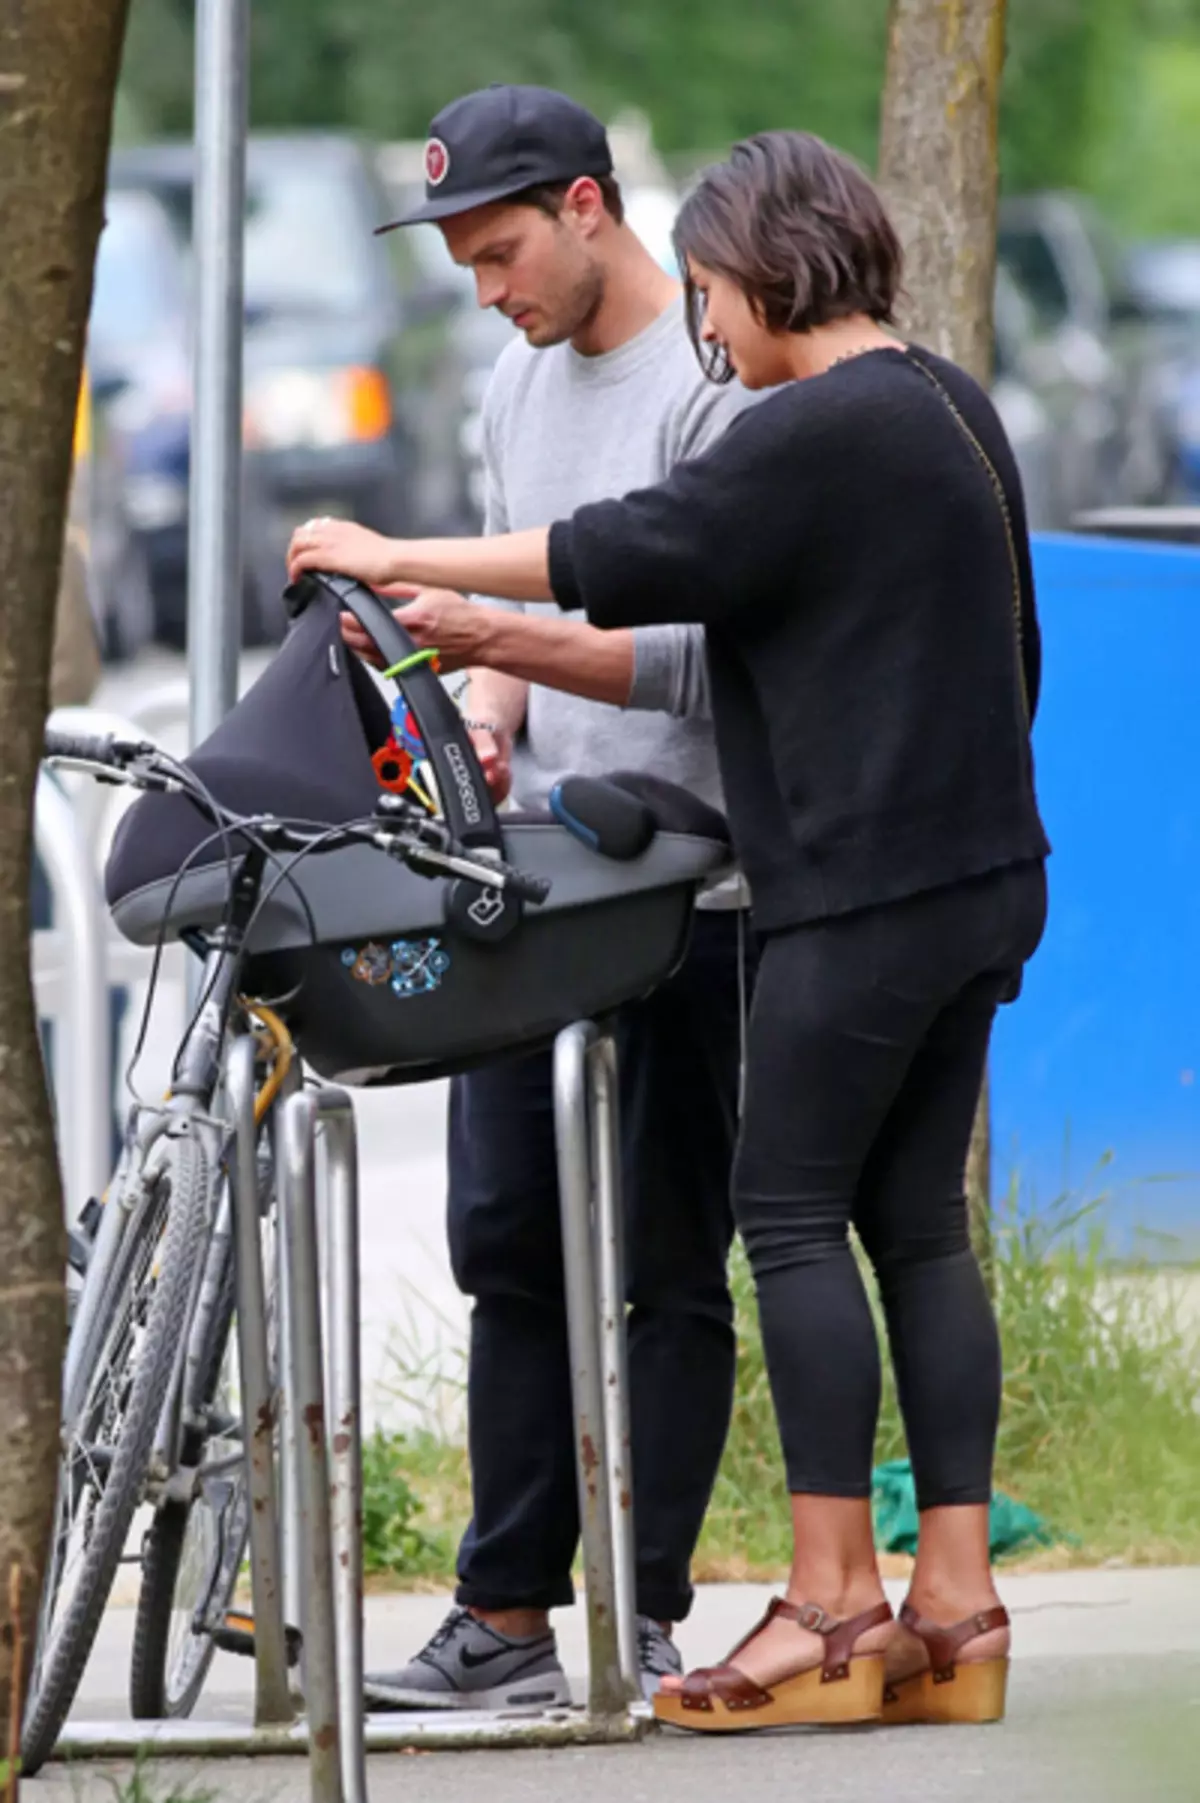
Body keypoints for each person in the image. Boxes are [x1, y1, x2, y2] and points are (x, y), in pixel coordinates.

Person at [290, 128, 1050, 1734]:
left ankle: (834, 1602)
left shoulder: (812, 426)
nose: (711, 328)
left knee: (781, 1218)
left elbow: (611, 561)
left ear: (766, 269)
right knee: (916, 1224)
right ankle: (956, 1603)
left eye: (715, 290)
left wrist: (397, 561)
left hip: (855, 892)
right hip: (986, 873)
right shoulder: (949, 406)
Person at [322, 85, 757, 1710]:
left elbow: (712, 649)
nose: (488, 290)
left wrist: (500, 641)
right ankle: (502, 1615)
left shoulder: (707, 387)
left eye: (501, 251)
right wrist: (490, 721)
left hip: (688, 888)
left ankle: (633, 1606)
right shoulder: (516, 382)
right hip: (540, 881)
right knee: (505, 1234)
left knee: (661, 1253)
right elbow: (513, 597)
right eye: (462, 263)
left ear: (588, 207)